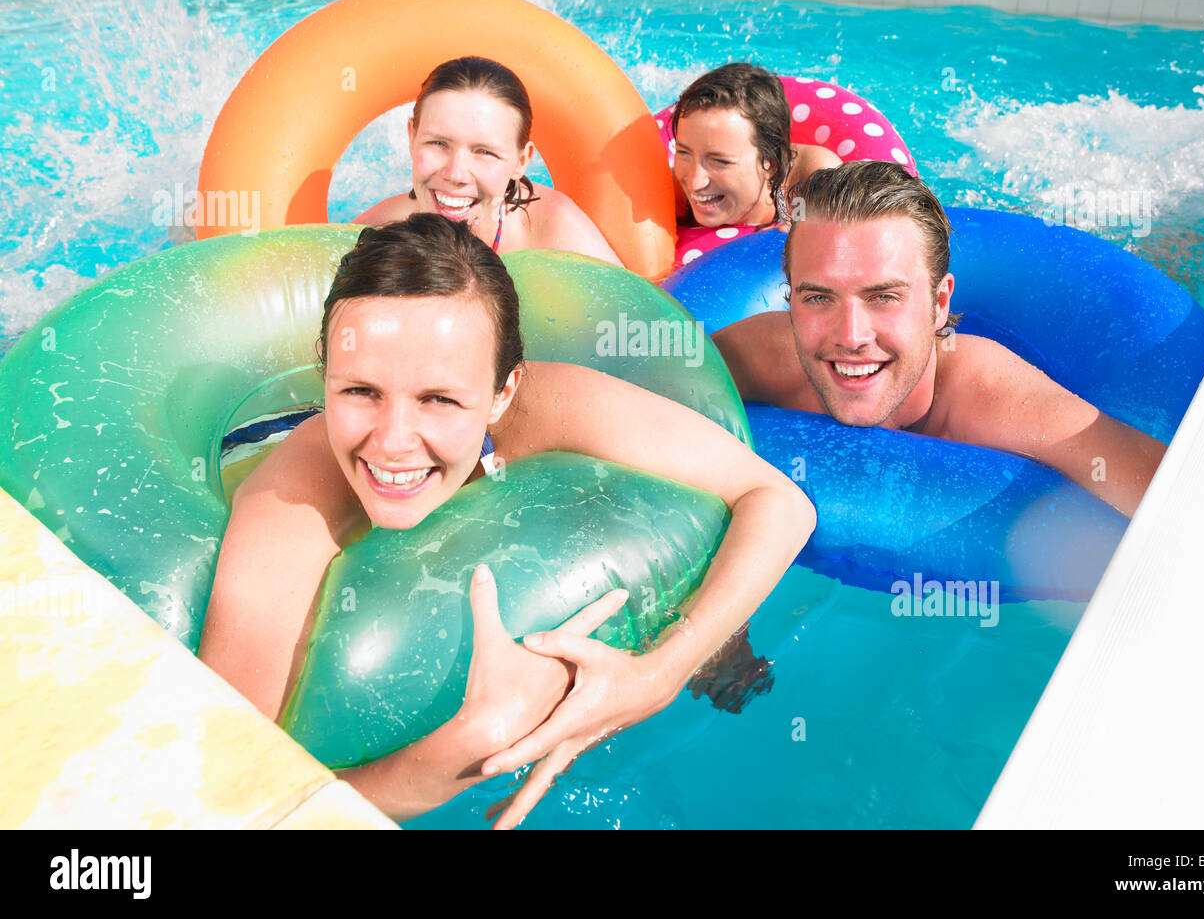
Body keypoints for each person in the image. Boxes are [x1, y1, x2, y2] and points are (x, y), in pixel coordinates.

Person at [199, 213, 815, 828]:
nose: (391, 442)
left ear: (503, 392)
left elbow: (778, 500)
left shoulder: (550, 407)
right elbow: (231, 799)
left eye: (439, 399)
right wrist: (470, 744)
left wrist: (658, 675)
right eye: (360, 391)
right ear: (325, 378)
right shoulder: (287, 506)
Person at [712, 161, 1167, 519]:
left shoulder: (998, 398)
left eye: (884, 297)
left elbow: (1174, 500)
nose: (850, 336)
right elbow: (665, 395)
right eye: (818, 298)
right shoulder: (765, 356)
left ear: (940, 303)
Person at [355, 56, 623, 266]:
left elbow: (634, 317)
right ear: (412, 137)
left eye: (484, 152)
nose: (455, 174)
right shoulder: (376, 233)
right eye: (438, 143)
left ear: (521, 161)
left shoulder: (556, 234)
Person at [670, 62, 841, 268]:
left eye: (720, 161)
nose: (695, 182)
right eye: (684, 153)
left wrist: (805, 223)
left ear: (772, 163)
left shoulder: (805, 183)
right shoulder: (673, 195)